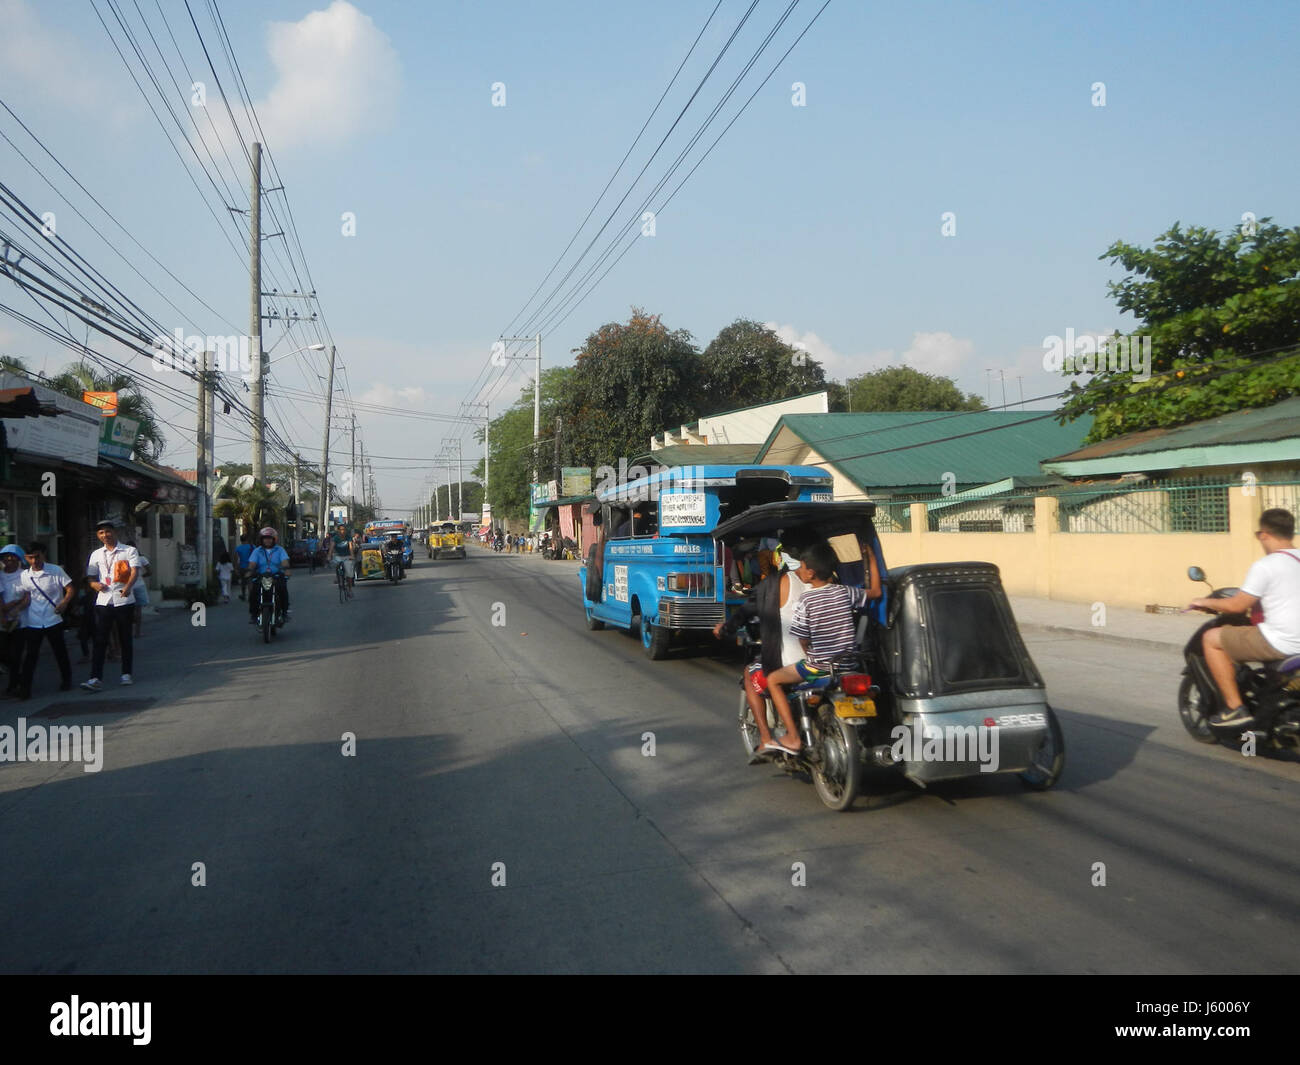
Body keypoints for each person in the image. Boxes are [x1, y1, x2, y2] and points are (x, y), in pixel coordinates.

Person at [762, 542, 881, 754]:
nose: (800, 571)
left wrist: (808, 653)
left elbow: (803, 639)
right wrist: (872, 558)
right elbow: (875, 591)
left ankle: (792, 737)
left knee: (773, 680)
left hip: (818, 667)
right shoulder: (846, 592)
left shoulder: (806, 600)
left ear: (811, 573)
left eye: (803, 567)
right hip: (849, 665)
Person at [1189, 508, 1300, 729]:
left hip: (1281, 642)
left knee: (1212, 639)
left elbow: (1236, 605)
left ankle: (1234, 708)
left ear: (1264, 534)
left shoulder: (1265, 566)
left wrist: (1204, 602)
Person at [714, 538, 815, 757]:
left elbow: (745, 612)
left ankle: (767, 738)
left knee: (751, 675)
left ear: (783, 557)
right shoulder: (825, 581)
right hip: (828, 661)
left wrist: (724, 629)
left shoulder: (773, 584)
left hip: (790, 665)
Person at [82, 520, 138, 692]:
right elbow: (90, 577)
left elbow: (135, 571)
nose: (105, 535)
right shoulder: (96, 554)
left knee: (125, 638)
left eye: (107, 531)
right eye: (101, 533)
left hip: (123, 600)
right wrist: (94, 585)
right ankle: (95, 677)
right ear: (98, 536)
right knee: (100, 640)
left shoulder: (129, 551)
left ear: (115, 532)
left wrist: (128, 587)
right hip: (104, 601)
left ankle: (126, 673)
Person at [15, 542, 74, 698]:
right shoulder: (25, 576)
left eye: (37, 556)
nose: (34, 561)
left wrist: (64, 603)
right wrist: (16, 610)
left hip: (53, 618)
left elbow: (70, 589)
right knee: (31, 655)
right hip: (34, 621)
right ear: (26, 558)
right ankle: (25, 689)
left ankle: (66, 680)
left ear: (43, 554)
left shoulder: (55, 570)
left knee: (59, 651)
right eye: (30, 558)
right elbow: (27, 597)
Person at [246, 527, 291, 622]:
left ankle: (284, 612)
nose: (267, 540)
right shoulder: (257, 551)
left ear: (274, 539)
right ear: (261, 539)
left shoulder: (280, 550)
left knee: (283, 590)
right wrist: (249, 571)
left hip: (276, 575)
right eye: (265, 538)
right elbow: (252, 563)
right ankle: (254, 615)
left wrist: (286, 570)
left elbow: (284, 562)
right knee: (253, 592)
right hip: (261, 576)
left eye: (270, 538)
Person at [0, 544, 27, 696]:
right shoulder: (0, 575)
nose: (9, 559)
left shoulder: (24, 574)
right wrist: (4, 614)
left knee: (16, 654)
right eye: (6, 557)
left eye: (13, 557)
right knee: (4, 654)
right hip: (3, 622)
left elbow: (27, 597)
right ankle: (18, 677)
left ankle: (14, 685)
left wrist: (16, 607)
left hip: (20, 621)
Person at [132, 550, 152, 638]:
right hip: (139, 585)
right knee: (138, 610)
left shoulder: (124, 558)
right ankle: (137, 632)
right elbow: (150, 571)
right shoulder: (141, 558)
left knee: (127, 610)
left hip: (127, 586)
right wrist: (142, 576)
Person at [331, 523, 355, 590]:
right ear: (338, 530)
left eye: (344, 529)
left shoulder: (348, 537)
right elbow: (331, 548)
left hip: (347, 556)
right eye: (341, 530)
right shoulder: (335, 538)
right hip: (338, 556)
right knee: (335, 564)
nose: (343, 531)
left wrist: (352, 556)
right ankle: (338, 578)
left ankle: (350, 589)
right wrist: (328, 556)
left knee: (349, 574)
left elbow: (350, 547)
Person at [235, 534, 254, 601]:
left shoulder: (238, 548)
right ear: (247, 540)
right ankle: (250, 596)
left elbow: (237, 560)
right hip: (251, 567)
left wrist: (236, 568)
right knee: (250, 582)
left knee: (243, 582)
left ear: (241, 540)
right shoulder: (252, 547)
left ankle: (243, 595)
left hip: (242, 567)